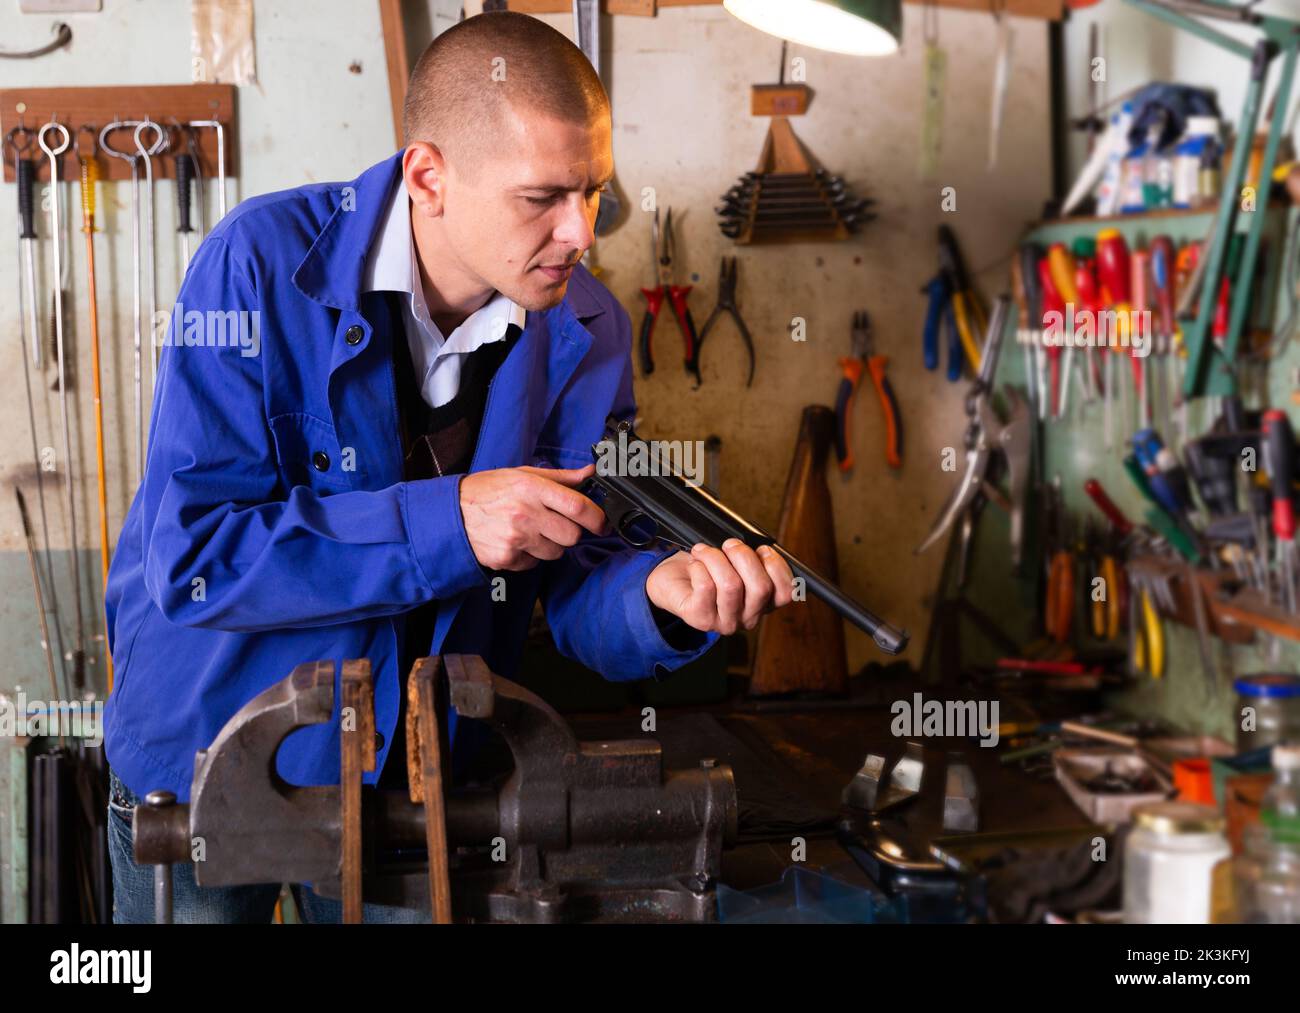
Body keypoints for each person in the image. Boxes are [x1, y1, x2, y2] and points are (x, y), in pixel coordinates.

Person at [103, 11, 795, 923]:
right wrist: (449, 519)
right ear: (428, 175)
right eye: (543, 196)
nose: (581, 230)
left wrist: (659, 599)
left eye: (593, 192)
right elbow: (196, 560)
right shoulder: (258, 267)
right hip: (212, 760)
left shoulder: (588, 332)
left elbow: (576, 576)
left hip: (421, 783)